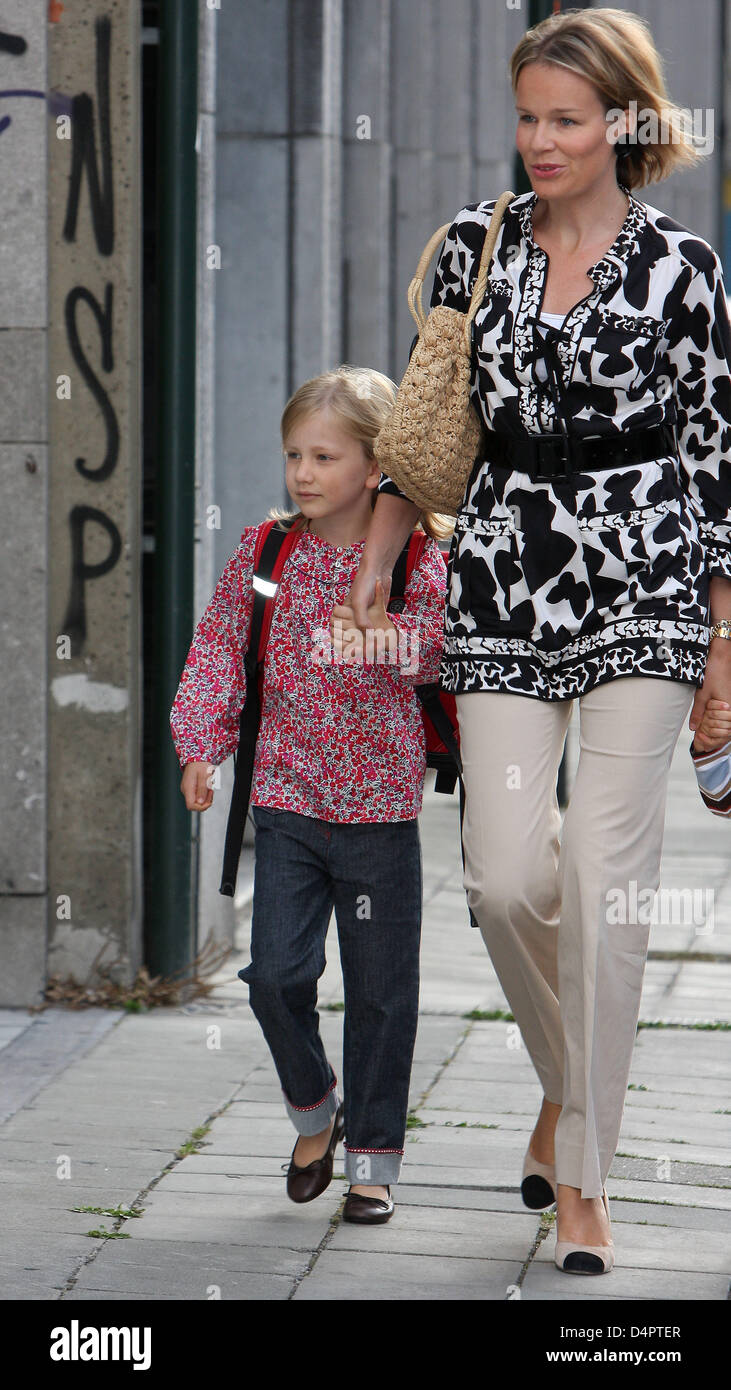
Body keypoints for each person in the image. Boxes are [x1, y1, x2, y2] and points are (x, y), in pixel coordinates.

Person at [343, 7, 731, 1274]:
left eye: (564, 119)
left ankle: (584, 1183)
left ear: (623, 122)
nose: (538, 142)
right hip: (504, 574)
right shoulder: (473, 247)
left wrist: (724, 646)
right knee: (505, 875)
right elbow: (429, 419)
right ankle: (572, 1081)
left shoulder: (682, 266)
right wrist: (382, 547)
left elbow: (715, 463)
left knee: (609, 892)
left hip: (647, 587)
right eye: (526, 117)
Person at [170, 366, 452, 1225]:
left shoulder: (416, 557)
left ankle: (372, 1165)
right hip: (286, 802)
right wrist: (201, 746)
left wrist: (383, 637)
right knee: (273, 977)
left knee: (379, 993)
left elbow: (445, 650)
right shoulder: (266, 554)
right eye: (294, 453)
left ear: (375, 469)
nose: (302, 472)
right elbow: (218, 646)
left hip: (379, 814)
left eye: (324, 456)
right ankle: (312, 1107)